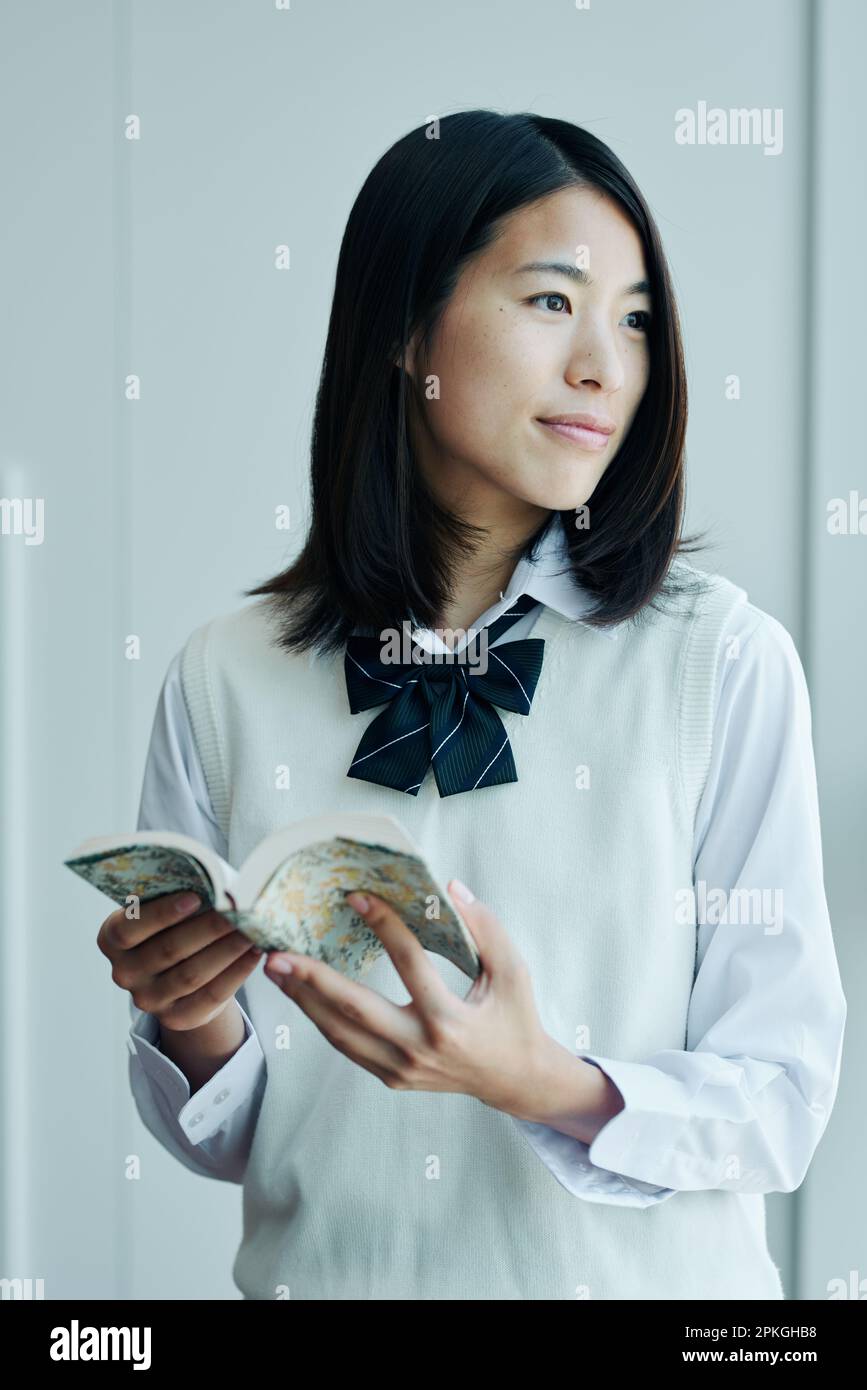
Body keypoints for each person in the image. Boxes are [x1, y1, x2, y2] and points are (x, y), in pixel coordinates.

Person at [97, 109, 846, 1300]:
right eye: (553, 302)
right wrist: (189, 1015)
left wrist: (538, 1077)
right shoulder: (223, 674)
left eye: (635, 319)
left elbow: (784, 1101)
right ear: (406, 327)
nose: (606, 364)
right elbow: (242, 1143)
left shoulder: (725, 662)